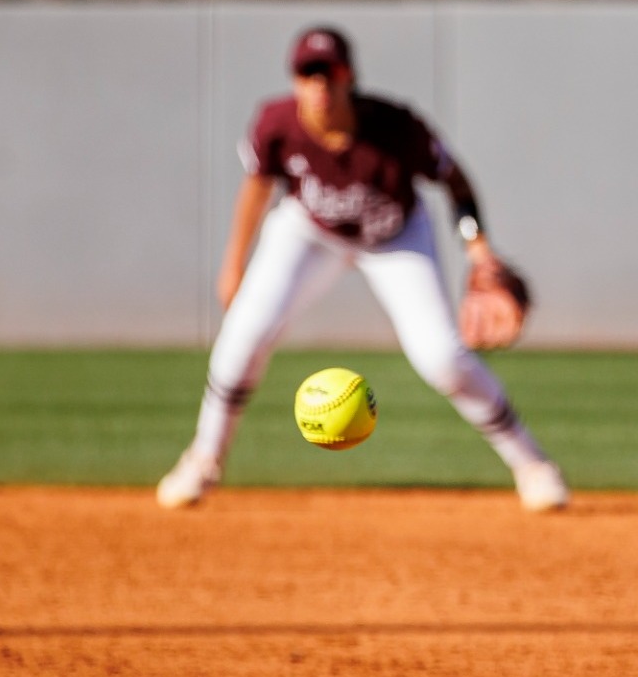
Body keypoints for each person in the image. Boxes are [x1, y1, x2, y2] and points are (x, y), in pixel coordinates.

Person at [156, 26, 569, 513]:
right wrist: (233, 264)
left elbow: (456, 182)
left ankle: (532, 466)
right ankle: (204, 459)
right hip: (309, 233)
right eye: (307, 75)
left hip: (394, 236)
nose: (319, 87)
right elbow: (257, 187)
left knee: (441, 357)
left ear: (348, 76)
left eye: (328, 74)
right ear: (295, 80)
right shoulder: (277, 124)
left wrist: (478, 250)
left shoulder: (396, 129)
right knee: (243, 334)